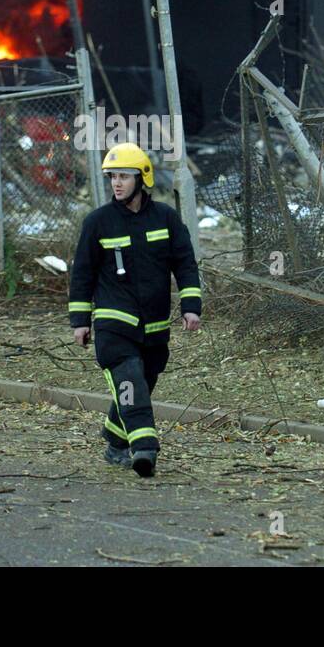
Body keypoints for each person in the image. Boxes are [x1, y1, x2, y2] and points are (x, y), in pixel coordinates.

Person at [68, 142, 202, 477]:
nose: (116, 183)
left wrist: (191, 306)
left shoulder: (166, 219)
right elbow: (82, 274)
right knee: (128, 378)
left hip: (155, 329)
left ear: (142, 178)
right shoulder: (98, 223)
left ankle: (114, 442)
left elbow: (185, 264)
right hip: (114, 324)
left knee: (141, 382)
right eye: (112, 176)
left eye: (124, 177)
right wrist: (80, 321)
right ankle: (144, 447)